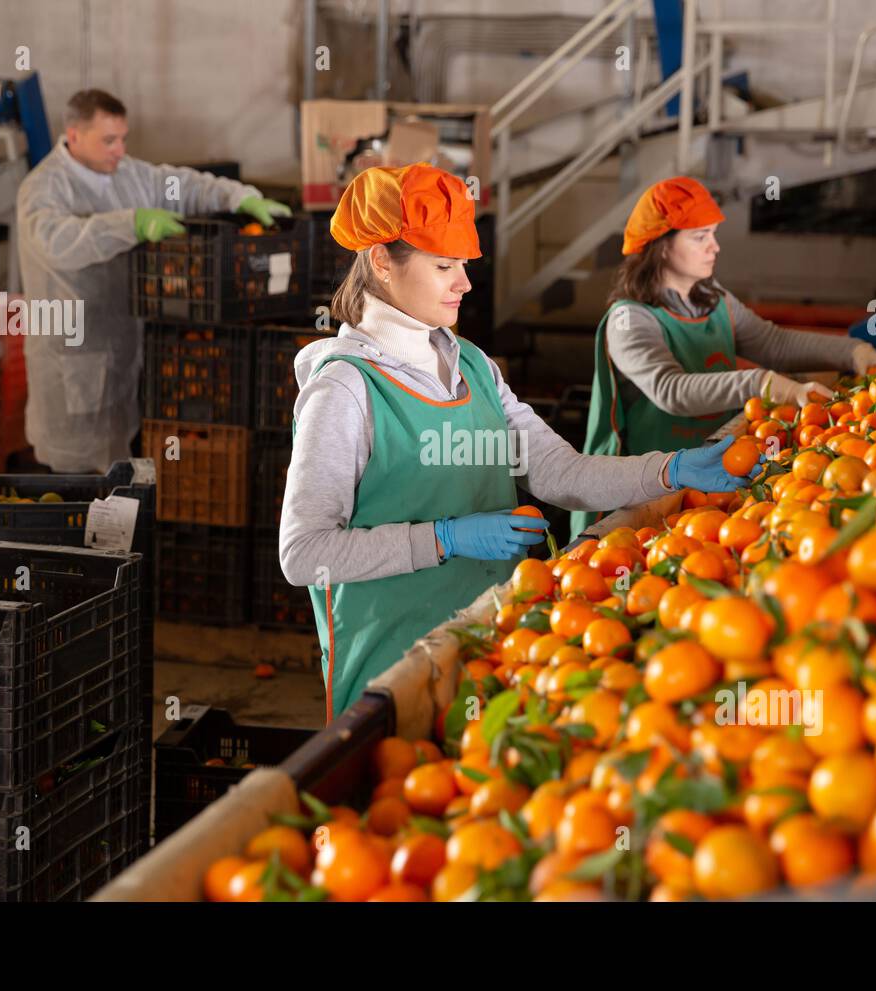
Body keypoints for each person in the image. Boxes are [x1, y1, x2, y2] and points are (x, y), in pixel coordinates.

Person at [279, 164, 762, 722]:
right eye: (444, 267)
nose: (464, 283)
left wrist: (670, 470)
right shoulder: (345, 389)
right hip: (394, 676)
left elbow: (562, 472)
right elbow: (304, 554)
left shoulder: (474, 368)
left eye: (463, 266)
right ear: (383, 262)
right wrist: (443, 539)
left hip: (489, 649)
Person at [574, 176, 876, 537]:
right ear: (660, 246)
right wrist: (760, 383)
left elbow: (772, 344)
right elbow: (670, 391)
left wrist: (852, 352)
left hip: (712, 478)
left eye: (713, 234)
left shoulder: (713, 298)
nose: (714, 247)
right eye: (700, 236)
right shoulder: (629, 320)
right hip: (644, 493)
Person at [15, 88, 290, 473]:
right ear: (74, 135)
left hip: (124, 340)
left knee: (120, 470)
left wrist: (238, 197)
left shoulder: (128, 175)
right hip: (73, 348)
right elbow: (59, 243)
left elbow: (184, 186)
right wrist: (133, 222)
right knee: (71, 475)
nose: (119, 150)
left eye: (123, 139)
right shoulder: (43, 189)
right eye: (108, 140)